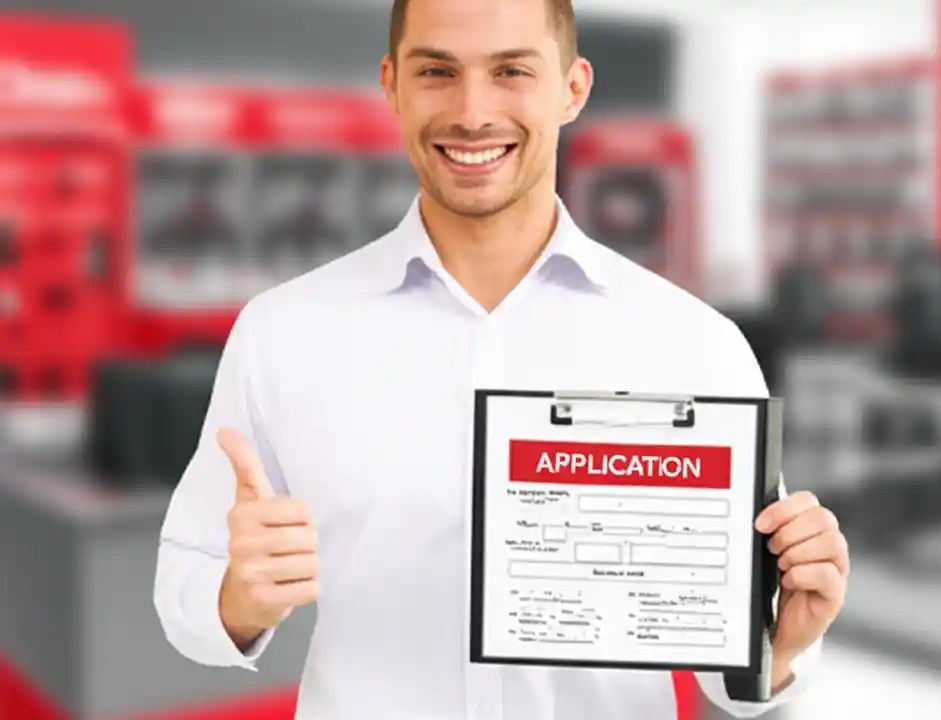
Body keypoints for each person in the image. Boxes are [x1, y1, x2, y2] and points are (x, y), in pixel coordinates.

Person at [153, 0, 850, 717]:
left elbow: (733, 683)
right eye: (436, 71)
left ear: (573, 89)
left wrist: (777, 649)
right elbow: (185, 581)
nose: (472, 111)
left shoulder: (693, 344)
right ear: (391, 84)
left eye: (512, 70)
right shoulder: (285, 331)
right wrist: (236, 600)